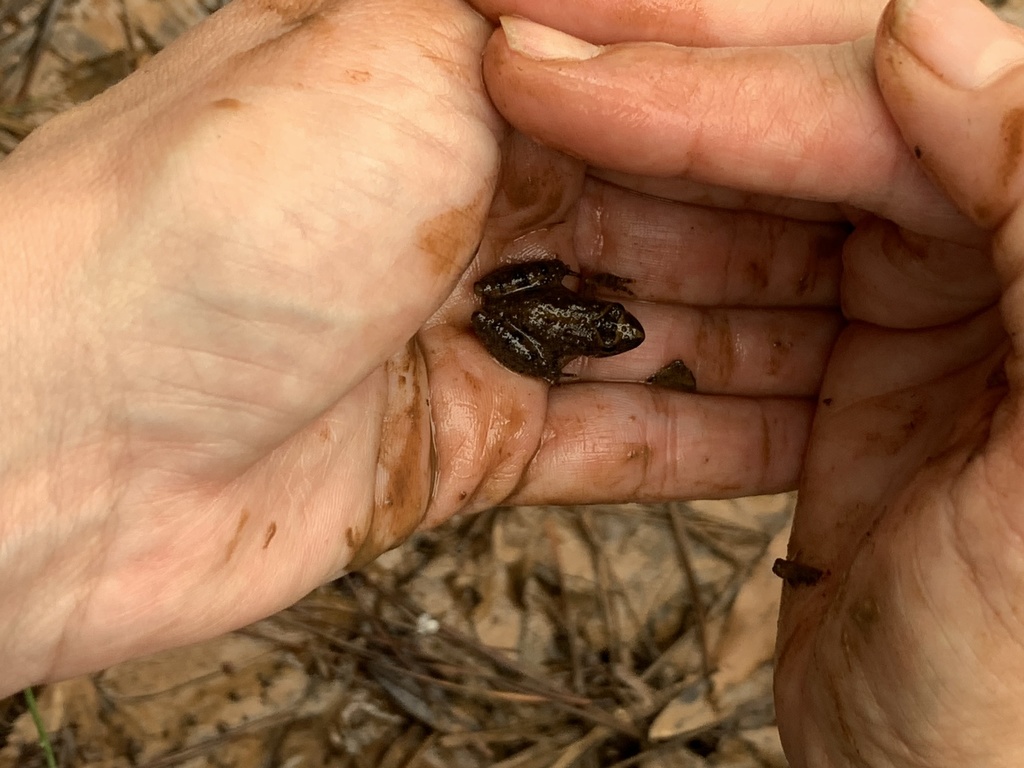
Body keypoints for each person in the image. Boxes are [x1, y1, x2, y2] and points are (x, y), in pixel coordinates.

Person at [0, 0, 1019, 763]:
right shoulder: (581, 329)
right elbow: (540, 312)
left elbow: (572, 314)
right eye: (616, 330)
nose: (622, 331)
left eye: (614, 331)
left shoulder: (594, 326)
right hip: (527, 314)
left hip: (539, 309)